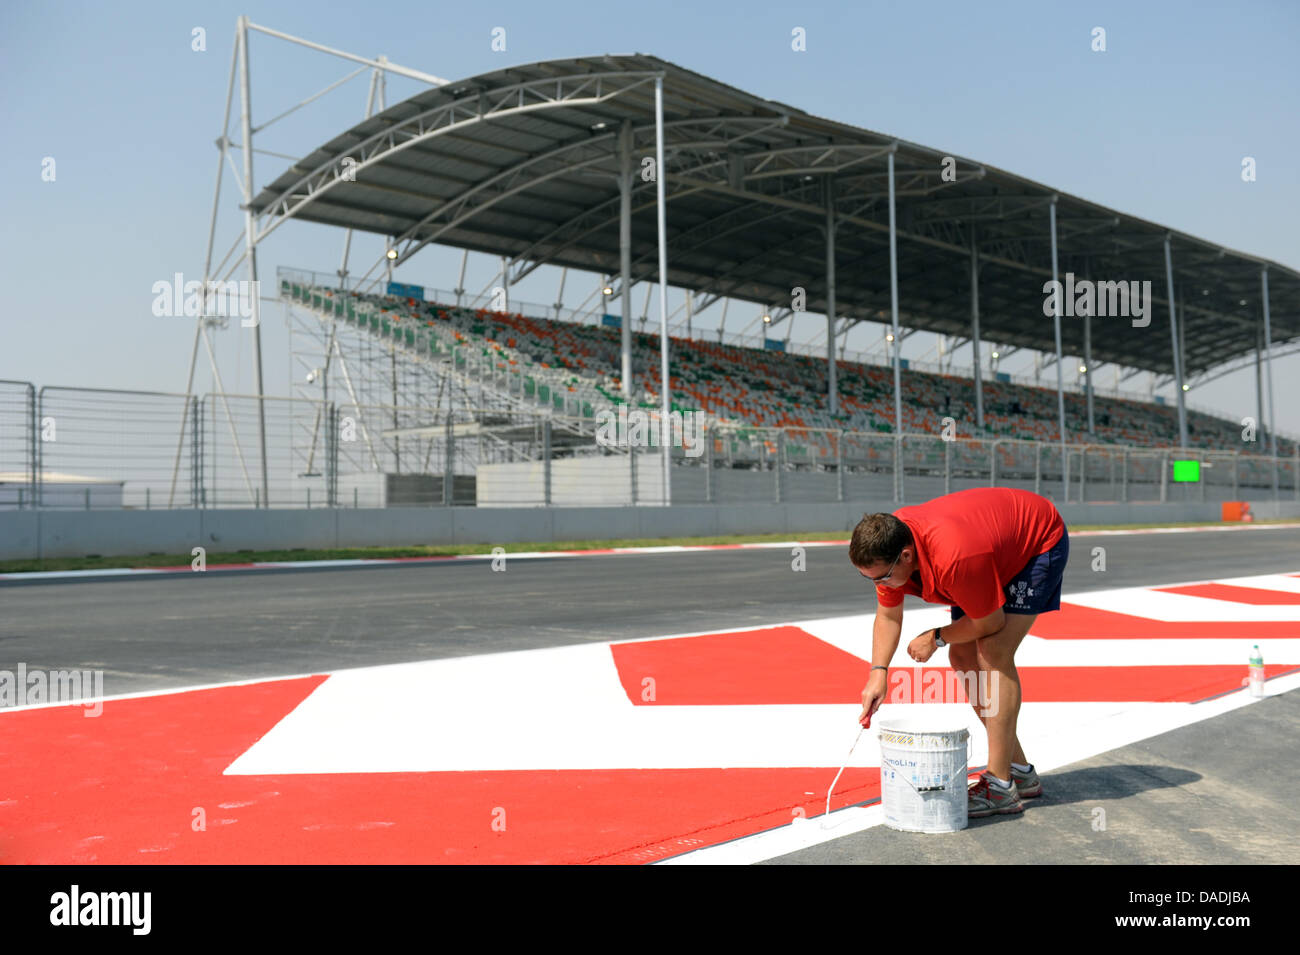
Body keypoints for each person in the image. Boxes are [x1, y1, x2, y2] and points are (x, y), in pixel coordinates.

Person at [848, 487, 1069, 817]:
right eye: (869, 578)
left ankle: (999, 786)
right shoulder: (890, 550)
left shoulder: (955, 559)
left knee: (993, 651)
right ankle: (1019, 773)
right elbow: (888, 615)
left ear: (906, 557)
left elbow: (990, 622)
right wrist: (878, 674)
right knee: (963, 658)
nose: (879, 584)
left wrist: (937, 636)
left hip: (1036, 540)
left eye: (881, 577)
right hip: (987, 545)